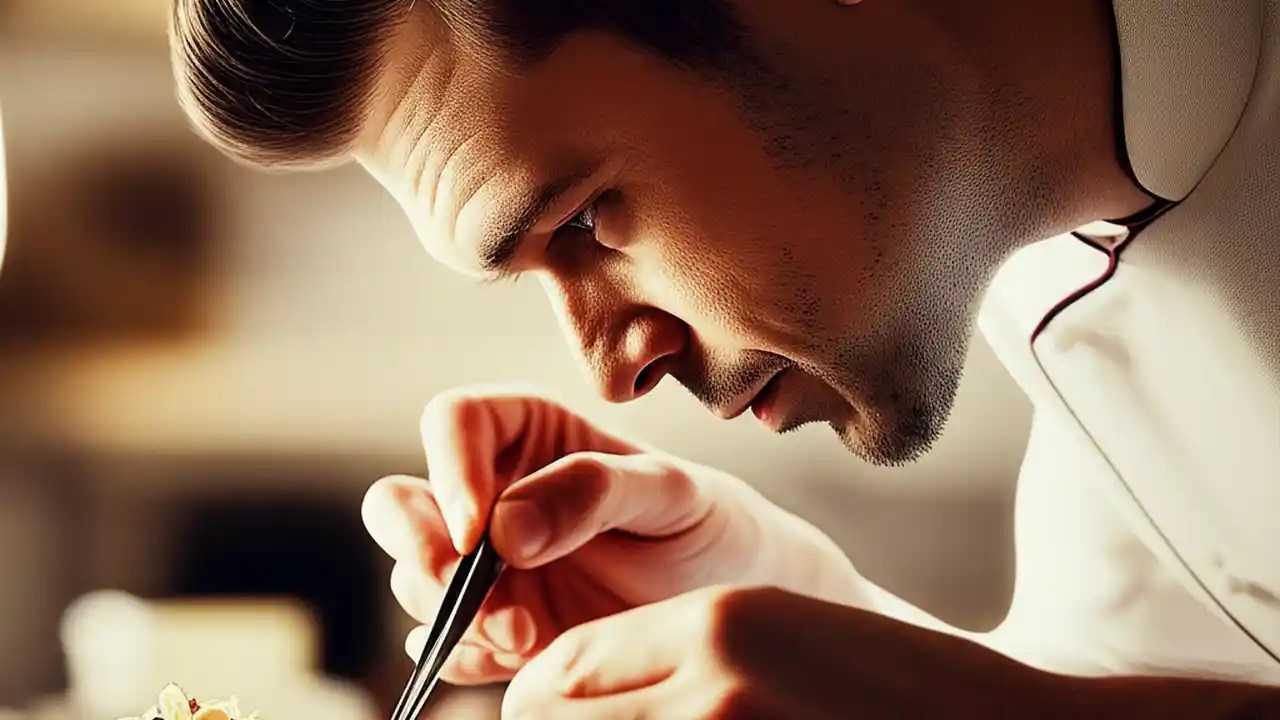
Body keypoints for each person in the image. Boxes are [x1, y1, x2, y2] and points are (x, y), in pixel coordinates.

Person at [169, 0, 1280, 716]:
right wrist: (792, 602)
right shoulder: (1033, 240)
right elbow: (1152, 689)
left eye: (585, 220)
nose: (610, 374)